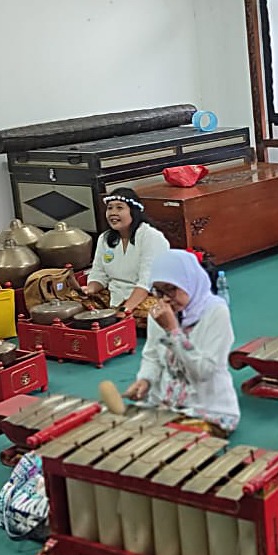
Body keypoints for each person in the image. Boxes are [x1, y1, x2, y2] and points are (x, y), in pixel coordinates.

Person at [124, 249, 239, 436]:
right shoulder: (158, 312)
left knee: (176, 440)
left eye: (171, 289)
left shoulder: (216, 312)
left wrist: (173, 332)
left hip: (207, 407)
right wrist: (145, 380)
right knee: (129, 431)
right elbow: (152, 356)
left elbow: (203, 372)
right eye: (159, 292)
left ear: (188, 281)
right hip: (165, 402)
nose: (166, 298)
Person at [83, 187, 171, 326]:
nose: (113, 213)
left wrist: (125, 310)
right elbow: (98, 273)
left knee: (156, 313)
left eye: (119, 208)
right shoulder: (104, 238)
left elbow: (146, 281)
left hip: (148, 295)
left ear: (133, 211)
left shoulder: (151, 237)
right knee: (75, 302)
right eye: (110, 208)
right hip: (114, 295)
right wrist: (90, 289)